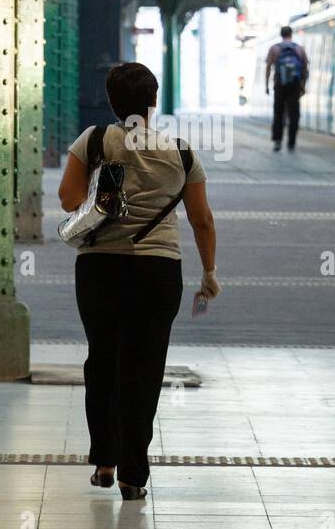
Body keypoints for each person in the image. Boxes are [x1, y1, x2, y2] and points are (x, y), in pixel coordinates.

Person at [58, 62, 219, 501]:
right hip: (159, 270)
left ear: (111, 101)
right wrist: (209, 273)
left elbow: (70, 199)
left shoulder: (92, 141)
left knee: (103, 362)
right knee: (144, 369)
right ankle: (133, 474)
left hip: (100, 268)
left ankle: (105, 462)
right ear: (154, 101)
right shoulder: (182, 153)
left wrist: (104, 190)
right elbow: (202, 220)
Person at [265, 25, 309, 152]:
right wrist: (303, 85)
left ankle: (278, 141)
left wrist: (266, 85)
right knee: (294, 114)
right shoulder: (299, 49)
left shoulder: (274, 49)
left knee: (278, 113)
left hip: (279, 85)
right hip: (294, 86)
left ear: (281, 34)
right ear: (291, 34)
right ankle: (291, 142)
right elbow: (305, 68)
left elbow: (268, 67)